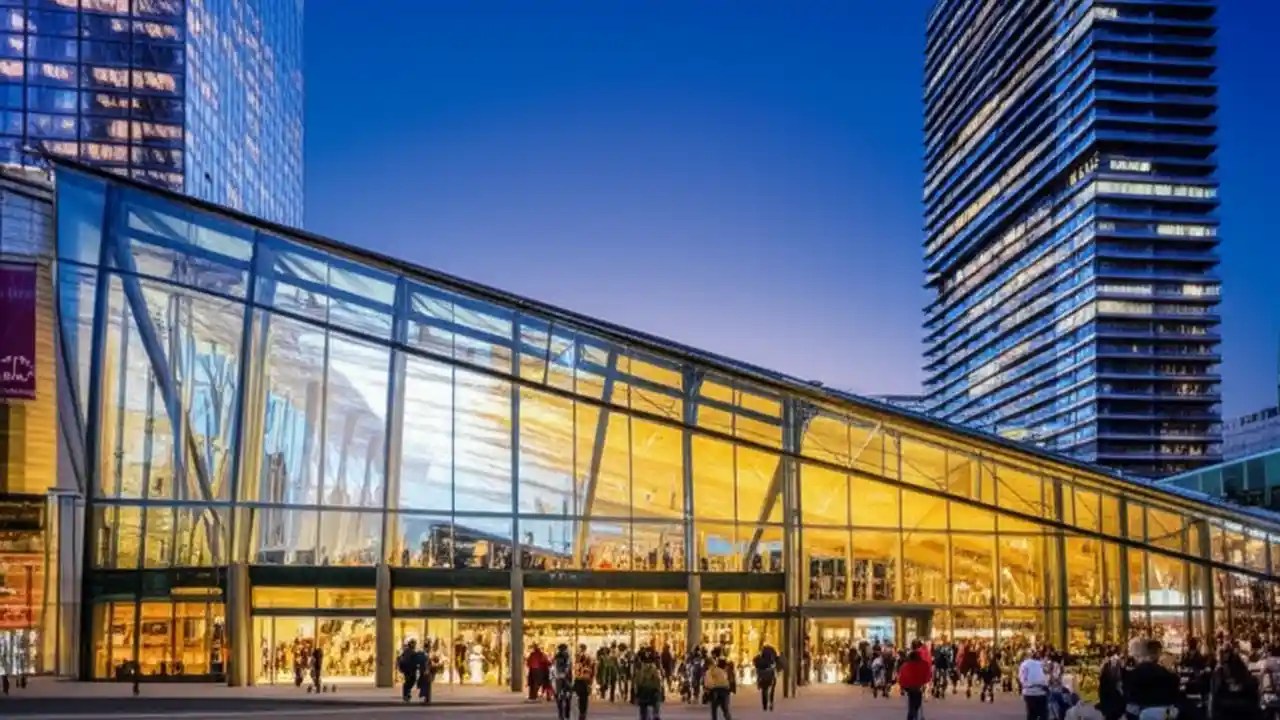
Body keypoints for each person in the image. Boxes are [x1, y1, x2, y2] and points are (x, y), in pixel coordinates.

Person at [1210, 646, 1262, 720]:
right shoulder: (1220, 673)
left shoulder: (1221, 672)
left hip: (1233, 708)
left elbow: (1215, 694)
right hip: (1236, 708)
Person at [897, 648, 932, 720]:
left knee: (911, 701)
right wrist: (925, 682)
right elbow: (927, 674)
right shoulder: (923, 664)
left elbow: (902, 677)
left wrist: (902, 687)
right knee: (917, 702)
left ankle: (911, 713)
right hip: (918, 686)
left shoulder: (906, 665)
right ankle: (913, 712)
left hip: (909, 687)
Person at [1018, 650, 1050, 720]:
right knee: (1043, 713)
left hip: (1029, 692)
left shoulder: (1024, 664)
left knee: (1031, 713)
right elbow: (1047, 674)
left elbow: (1022, 678)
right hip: (1041, 691)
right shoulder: (1040, 664)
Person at [634, 652, 665, 720]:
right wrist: (659, 690)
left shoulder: (640, 669)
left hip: (643, 691)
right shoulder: (655, 669)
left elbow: (637, 682)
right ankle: (655, 714)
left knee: (643, 708)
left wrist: (636, 693)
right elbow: (658, 681)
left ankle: (647, 715)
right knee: (656, 703)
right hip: (652, 691)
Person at [706, 650, 736, 720]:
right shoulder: (724, 671)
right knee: (725, 709)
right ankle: (728, 718)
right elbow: (729, 681)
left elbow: (708, 681)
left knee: (714, 708)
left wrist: (708, 689)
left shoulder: (711, 670)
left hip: (716, 690)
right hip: (725, 690)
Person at [753, 643, 780, 712]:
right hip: (770, 675)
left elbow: (757, 666)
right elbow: (777, 662)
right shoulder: (772, 658)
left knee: (764, 690)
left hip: (762, 676)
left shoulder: (760, 659)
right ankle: (771, 702)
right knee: (772, 690)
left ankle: (764, 705)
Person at [573, 644, 596, 719]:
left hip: (581, 679)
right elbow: (593, 670)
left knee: (581, 697)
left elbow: (592, 669)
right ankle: (582, 712)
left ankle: (582, 712)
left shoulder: (580, 657)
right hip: (584, 679)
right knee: (583, 698)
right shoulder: (587, 657)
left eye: (580, 649)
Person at [552, 643, 573, 720]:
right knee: (567, 697)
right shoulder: (568, 657)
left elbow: (553, 669)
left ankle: (561, 715)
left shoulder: (556, 657)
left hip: (558, 680)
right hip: (566, 679)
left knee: (559, 698)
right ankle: (566, 715)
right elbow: (568, 668)